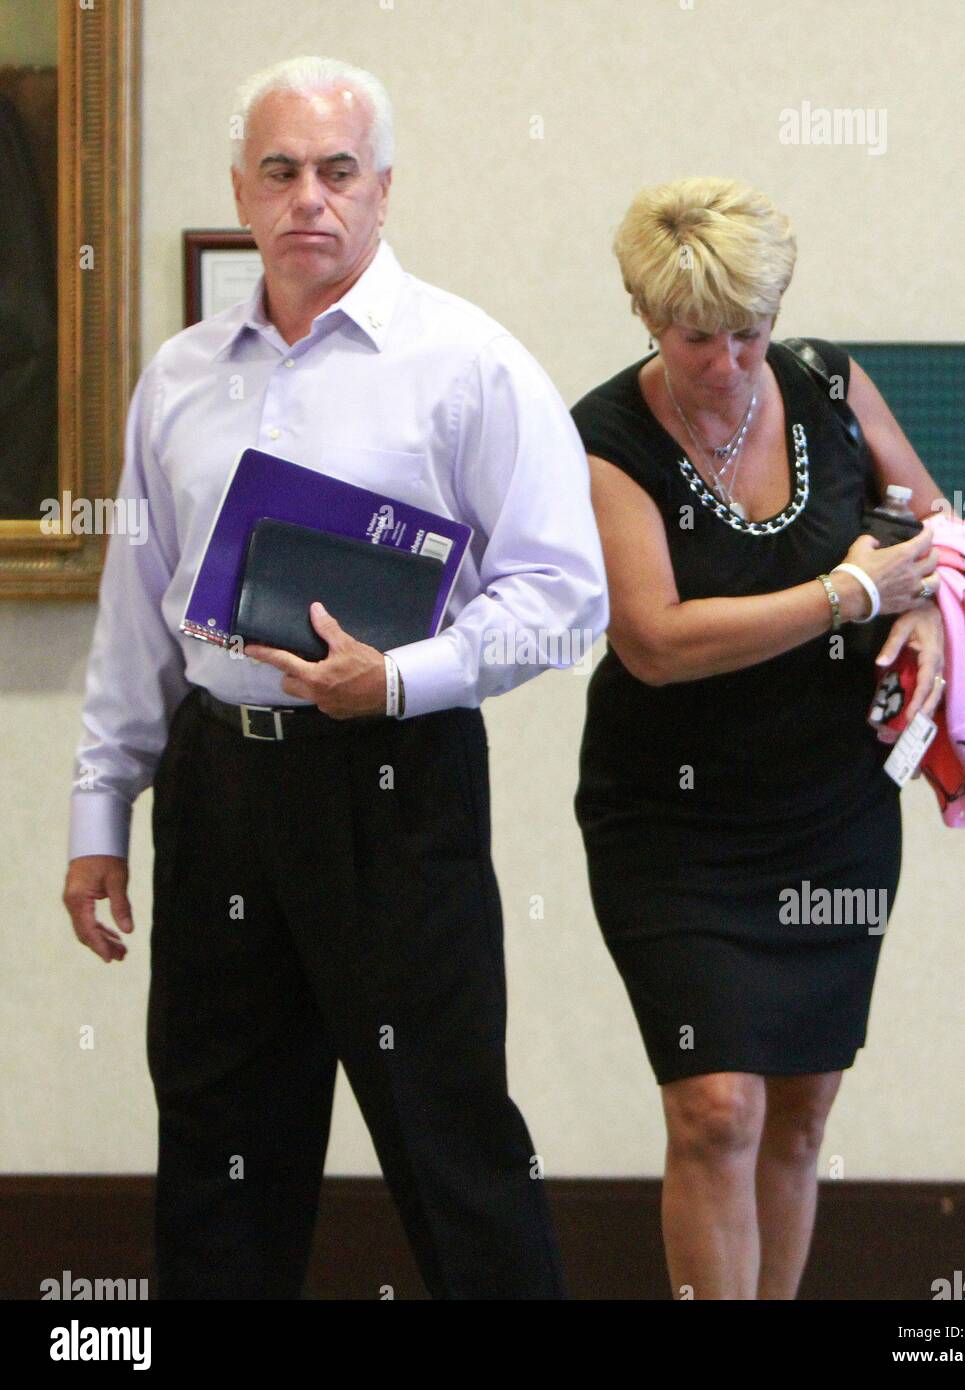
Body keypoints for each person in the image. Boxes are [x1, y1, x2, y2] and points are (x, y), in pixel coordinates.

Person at [61, 55, 607, 1300]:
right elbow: (136, 618)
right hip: (218, 792)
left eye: (338, 170)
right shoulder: (182, 377)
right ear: (243, 193)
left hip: (392, 783)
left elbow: (565, 594)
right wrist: (102, 817)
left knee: (447, 1132)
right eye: (282, 170)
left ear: (383, 189)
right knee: (219, 1148)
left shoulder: (468, 363)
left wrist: (405, 676)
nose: (311, 196)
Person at [570, 177, 946, 1300]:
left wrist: (919, 599)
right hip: (674, 821)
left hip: (833, 808)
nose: (731, 362)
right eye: (700, 338)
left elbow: (930, 523)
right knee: (716, 1106)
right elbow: (657, 640)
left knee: (801, 1107)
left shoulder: (826, 380)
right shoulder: (604, 437)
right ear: (647, 313)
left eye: (752, 332)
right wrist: (847, 593)